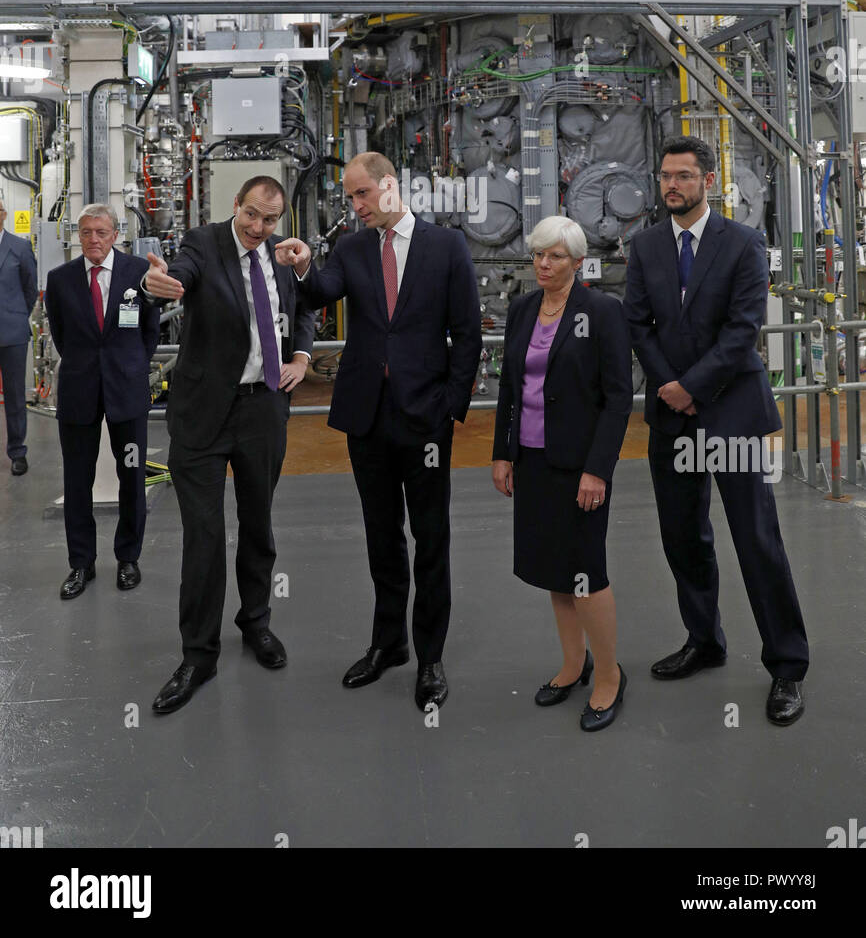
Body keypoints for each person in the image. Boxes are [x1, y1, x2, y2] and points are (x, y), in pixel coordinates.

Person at [277, 152, 482, 712]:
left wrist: (451, 407)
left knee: (431, 538)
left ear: (391, 187)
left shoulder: (446, 248)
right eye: (351, 197)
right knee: (381, 536)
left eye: (362, 194)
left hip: (426, 419)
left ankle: (430, 656)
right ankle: (388, 643)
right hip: (367, 417)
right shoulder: (351, 249)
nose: (356, 206)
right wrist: (300, 266)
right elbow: (320, 292)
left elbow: (467, 334)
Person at [623, 135, 809, 726]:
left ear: (708, 179)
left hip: (732, 414)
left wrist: (691, 387)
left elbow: (742, 330)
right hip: (672, 418)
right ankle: (704, 640)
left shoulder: (744, 244)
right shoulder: (646, 245)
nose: (671, 185)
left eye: (683, 175)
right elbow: (637, 323)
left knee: (757, 539)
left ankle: (786, 665)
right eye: (665, 176)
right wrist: (667, 387)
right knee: (683, 537)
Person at [141, 176, 316, 715]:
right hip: (203, 415)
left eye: (270, 220)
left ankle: (256, 623)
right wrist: (160, 284)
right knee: (205, 535)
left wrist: (302, 358)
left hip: (263, 409)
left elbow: (303, 308)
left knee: (259, 524)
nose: (259, 229)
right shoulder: (203, 243)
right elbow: (181, 274)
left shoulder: (281, 256)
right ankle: (199, 654)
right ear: (235, 206)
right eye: (252, 217)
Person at [491, 216, 633, 732]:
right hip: (531, 461)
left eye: (554, 257)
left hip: (579, 468)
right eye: (537, 256)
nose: (543, 265)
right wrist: (502, 453)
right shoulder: (524, 308)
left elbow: (618, 399)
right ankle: (574, 665)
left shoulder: (602, 313)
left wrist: (598, 470)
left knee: (585, 573)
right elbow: (510, 388)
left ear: (576, 262)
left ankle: (610, 677)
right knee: (554, 571)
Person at [44, 204, 160, 599]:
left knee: (131, 477)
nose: (94, 239)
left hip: (126, 395)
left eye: (102, 232)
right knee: (78, 481)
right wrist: (87, 365)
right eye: (87, 232)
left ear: (115, 234)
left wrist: (128, 367)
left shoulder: (137, 274)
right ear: (79, 235)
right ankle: (81, 564)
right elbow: (60, 334)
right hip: (80, 395)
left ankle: (128, 558)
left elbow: (150, 332)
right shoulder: (60, 280)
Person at [0, 196, 38, 476]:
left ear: (3, 214)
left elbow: (30, 289)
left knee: (14, 395)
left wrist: (15, 315)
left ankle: (18, 452)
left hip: (12, 332)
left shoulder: (20, 247)